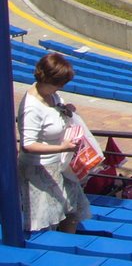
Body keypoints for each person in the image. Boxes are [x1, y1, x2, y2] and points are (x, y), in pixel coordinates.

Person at [17, 52, 91, 233]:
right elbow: (28, 144)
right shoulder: (31, 107)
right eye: (58, 84)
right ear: (48, 79)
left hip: (60, 167)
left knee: (71, 212)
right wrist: (62, 147)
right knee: (44, 222)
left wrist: (67, 110)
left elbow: (55, 112)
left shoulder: (52, 96)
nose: (60, 88)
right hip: (39, 172)